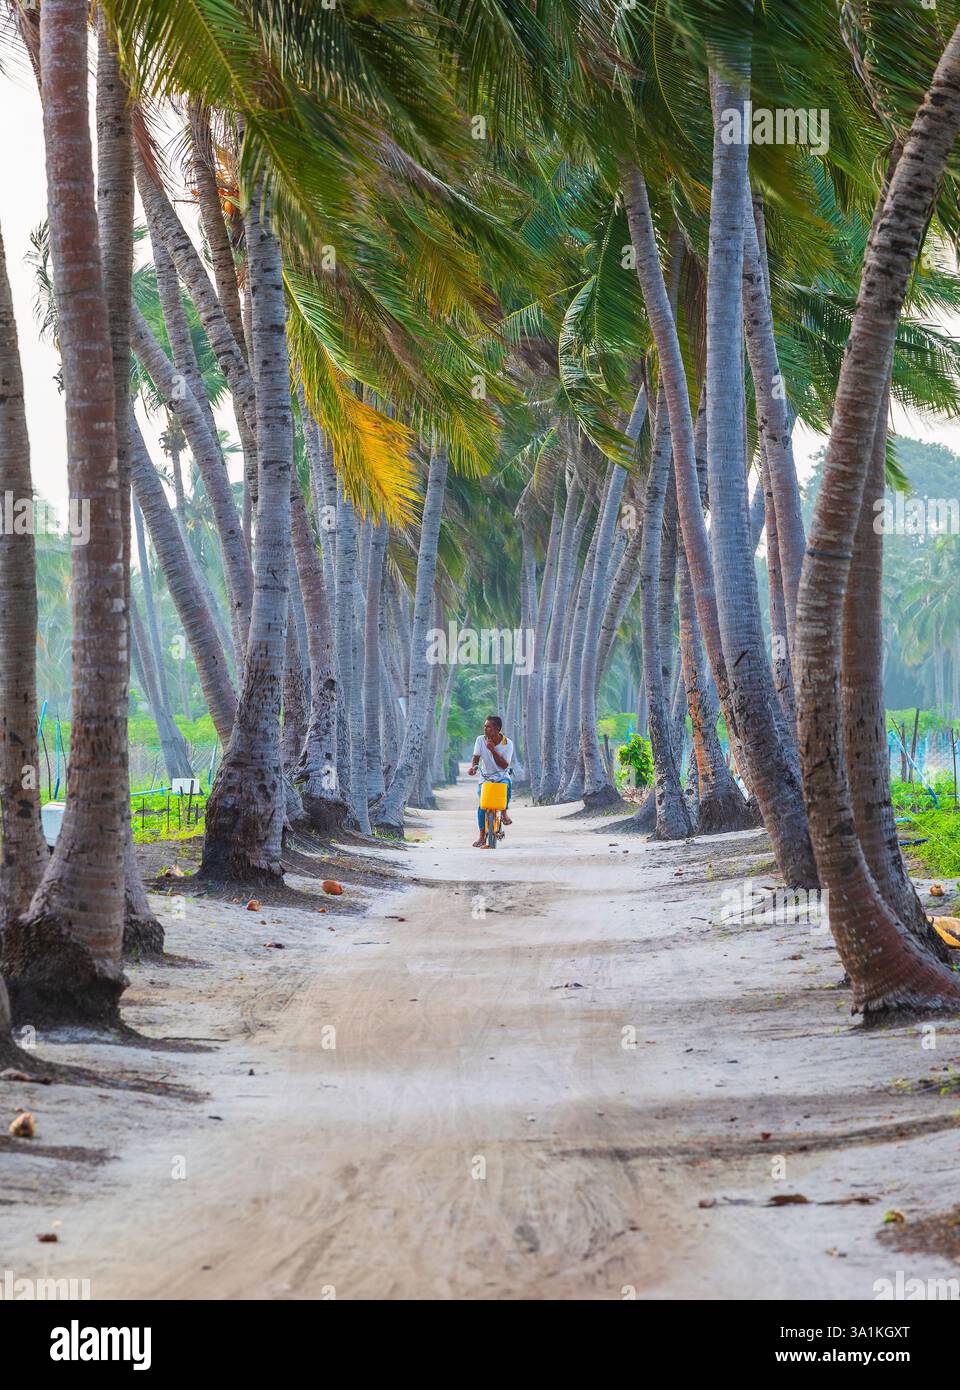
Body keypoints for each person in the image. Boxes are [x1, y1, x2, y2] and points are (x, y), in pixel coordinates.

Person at [467, 715, 513, 848]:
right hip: (485, 777)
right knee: (482, 806)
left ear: (497, 728)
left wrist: (492, 750)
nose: (485, 729)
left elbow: (504, 765)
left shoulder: (508, 743)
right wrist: (473, 768)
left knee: (506, 785)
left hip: (501, 775)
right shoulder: (480, 740)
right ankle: (482, 836)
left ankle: (504, 813)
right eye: (485, 726)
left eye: (488, 726)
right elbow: (476, 757)